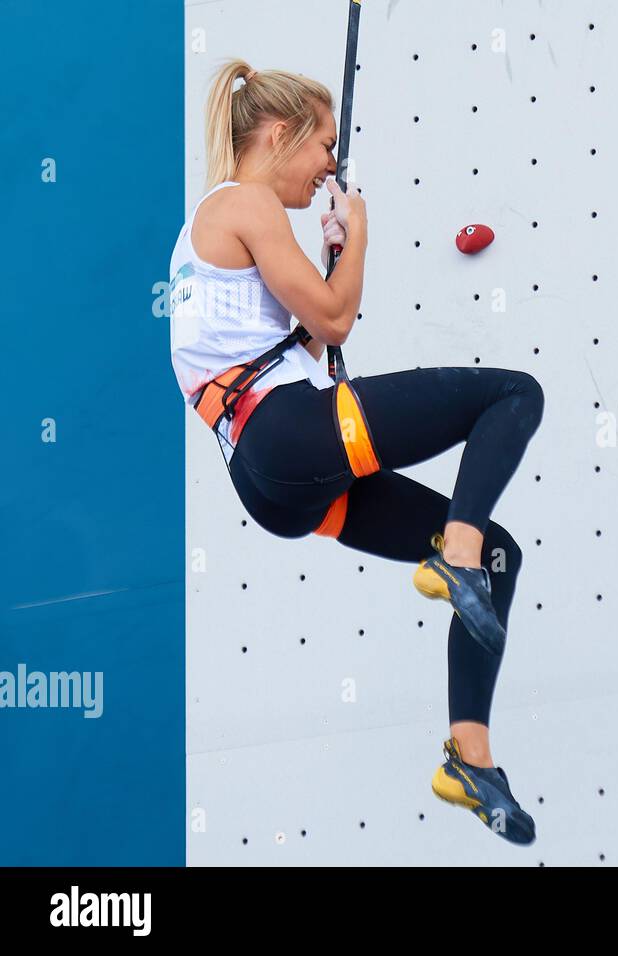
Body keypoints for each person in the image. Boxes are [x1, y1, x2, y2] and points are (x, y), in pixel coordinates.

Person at [169, 60, 544, 845]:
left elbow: (300, 337)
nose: (331, 168)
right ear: (279, 134)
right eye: (325, 146)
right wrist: (361, 235)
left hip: (275, 480)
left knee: (500, 554)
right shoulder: (245, 202)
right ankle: (458, 557)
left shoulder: (212, 229)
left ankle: (469, 757)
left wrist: (335, 254)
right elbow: (337, 323)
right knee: (514, 395)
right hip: (286, 434)